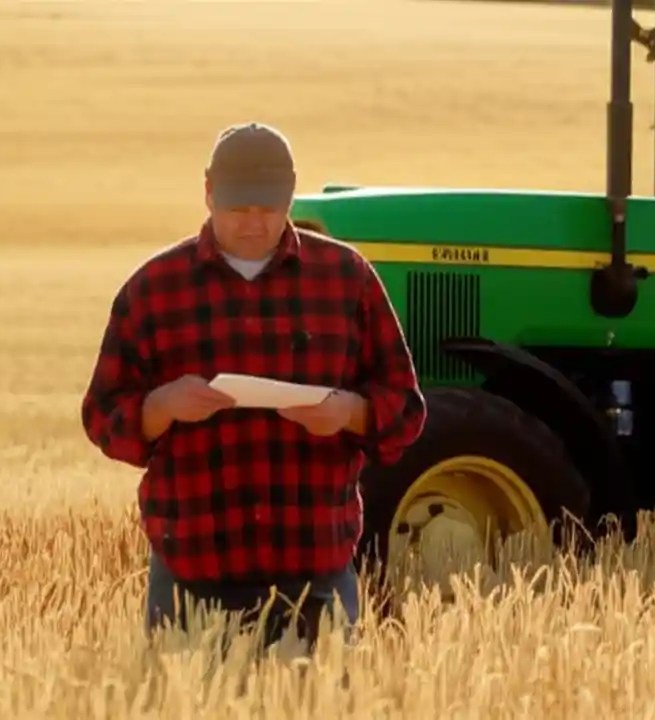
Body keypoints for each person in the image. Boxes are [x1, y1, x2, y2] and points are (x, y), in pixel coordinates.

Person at [80, 121, 426, 651]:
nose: (253, 224)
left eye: (267, 209)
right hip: (190, 577)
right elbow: (103, 417)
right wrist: (162, 406)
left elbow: (405, 408)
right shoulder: (152, 290)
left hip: (316, 575)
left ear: (290, 195)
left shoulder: (347, 278)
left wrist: (348, 411)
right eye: (239, 209)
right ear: (208, 192)